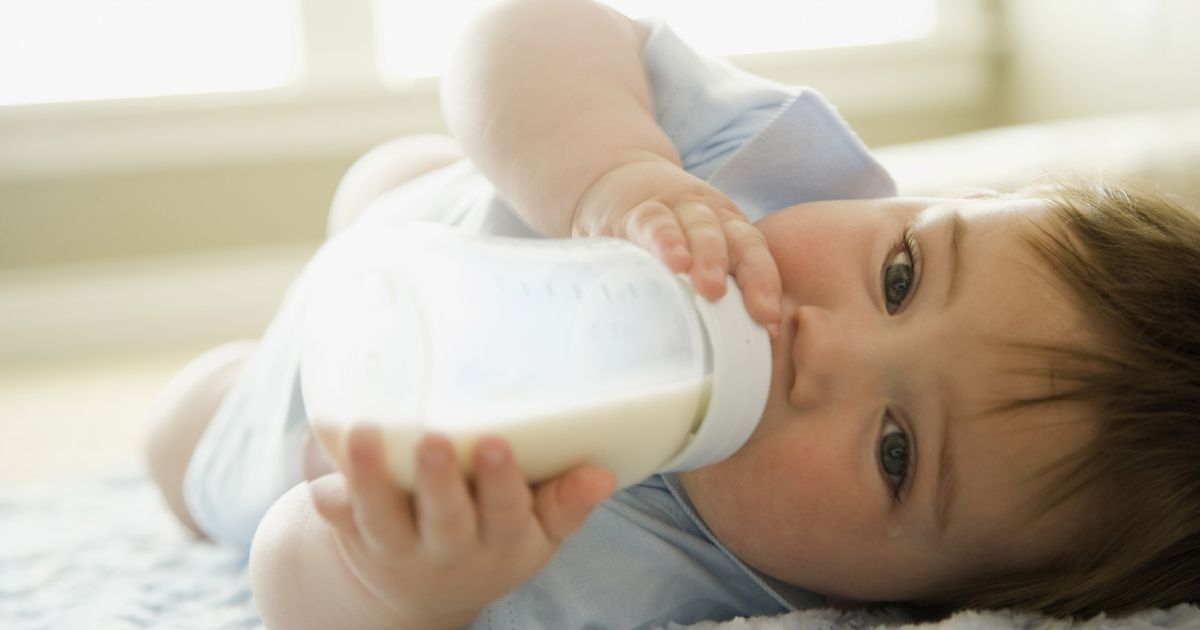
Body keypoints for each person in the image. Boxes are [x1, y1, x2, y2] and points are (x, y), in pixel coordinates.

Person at [144, 0, 1200, 628]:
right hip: (431, 229)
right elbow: (529, 27)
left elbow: (288, 570)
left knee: (177, 449)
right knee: (410, 169)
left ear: (905, 603)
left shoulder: (638, 588)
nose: (819, 341)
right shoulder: (757, 169)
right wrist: (613, 173)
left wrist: (396, 582)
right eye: (901, 276)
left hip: (309, 407)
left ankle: (224, 387)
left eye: (896, 453)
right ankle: (377, 210)